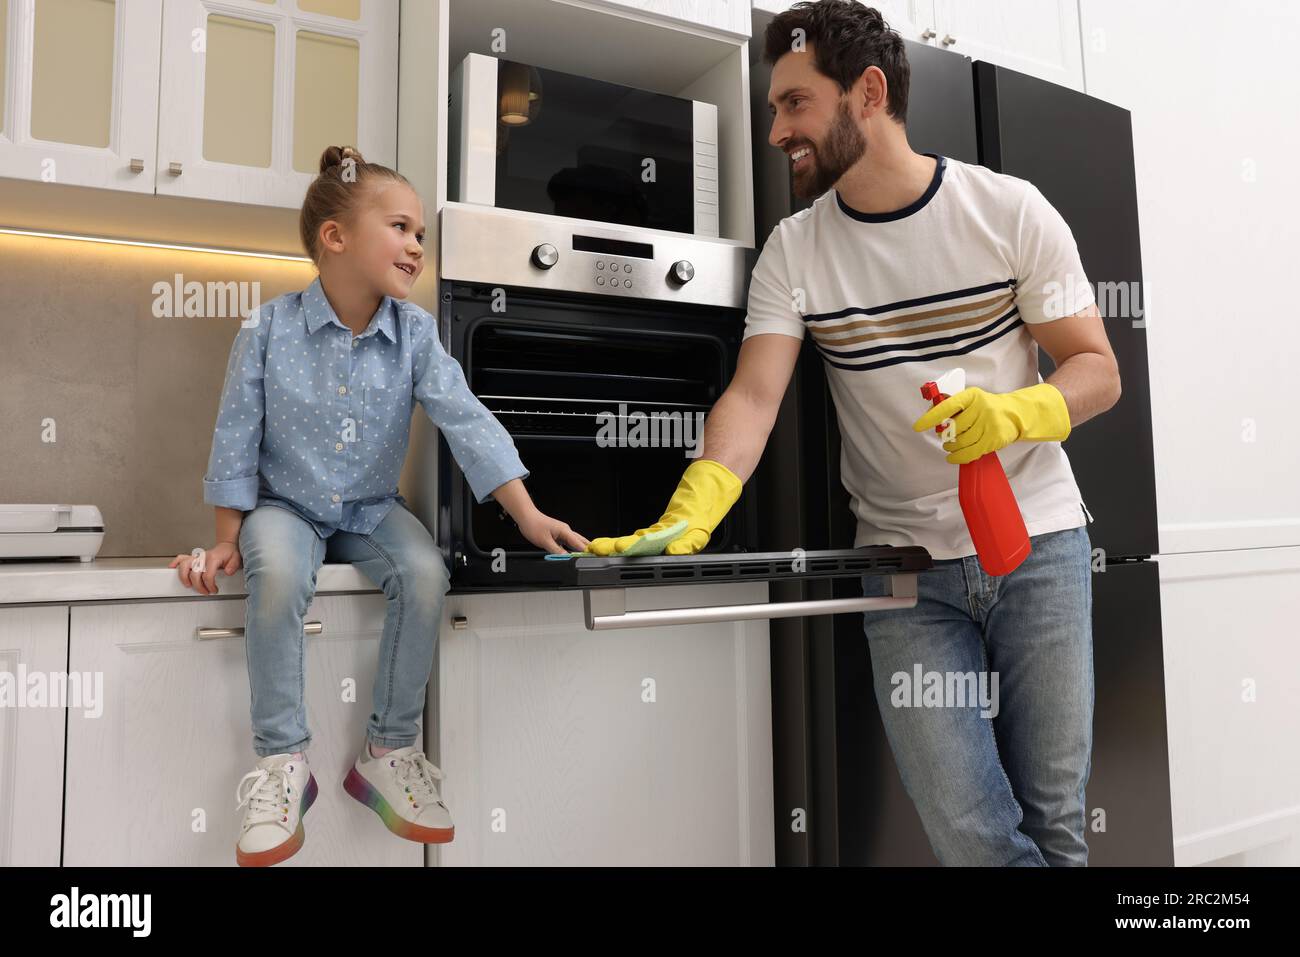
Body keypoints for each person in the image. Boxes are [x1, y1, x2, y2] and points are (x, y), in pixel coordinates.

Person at [587, 1, 1121, 866]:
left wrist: (1015, 413)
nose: (774, 131)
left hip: (1039, 547)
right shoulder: (794, 253)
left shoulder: (1010, 211)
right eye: (772, 109)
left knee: (1056, 822)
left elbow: (1097, 368)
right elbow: (755, 398)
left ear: (867, 93)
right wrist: (698, 504)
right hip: (906, 575)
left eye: (793, 103)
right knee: (973, 833)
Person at [169, 145, 589, 867]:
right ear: (335, 238)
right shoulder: (266, 330)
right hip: (284, 507)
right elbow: (234, 439)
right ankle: (281, 764)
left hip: (369, 509)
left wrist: (526, 513)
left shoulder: (416, 335)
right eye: (400, 227)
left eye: (420, 233)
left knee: (424, 572)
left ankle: (388, 751)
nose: (417, 245)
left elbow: (468, 421)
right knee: (274, 576)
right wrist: (226, 539)